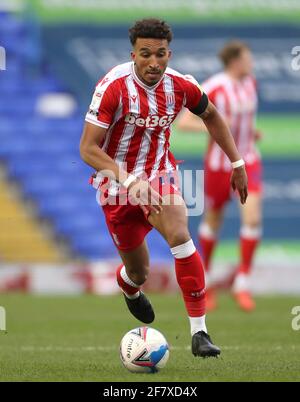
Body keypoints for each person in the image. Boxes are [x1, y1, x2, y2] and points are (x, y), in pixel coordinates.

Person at [80, 19, 248, 358]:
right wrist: (128, 181)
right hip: (116, 186)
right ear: (133, 55)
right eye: (146, 55)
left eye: (160, 54)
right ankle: (129, 287)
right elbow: (88, 148)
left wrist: (237, 162)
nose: (154, 63)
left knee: (180, 236)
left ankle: (199, 332)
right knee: (138, 272)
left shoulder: (181, 85)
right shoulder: (113, 86)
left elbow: (212, 116)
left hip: (160, 176)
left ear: (169, 53)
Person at [177, 40, 262, 312]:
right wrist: (216, 130)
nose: (251, 63)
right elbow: (185, 122)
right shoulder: (215, 86)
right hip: (218, 163)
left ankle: (243, 284)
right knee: (214, 219)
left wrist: (249, 132)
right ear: (234, 61)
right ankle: (208, 282)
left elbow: (246, 120)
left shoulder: (251, 84)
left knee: (253, 217)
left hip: (248, 158)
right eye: (247, 58)